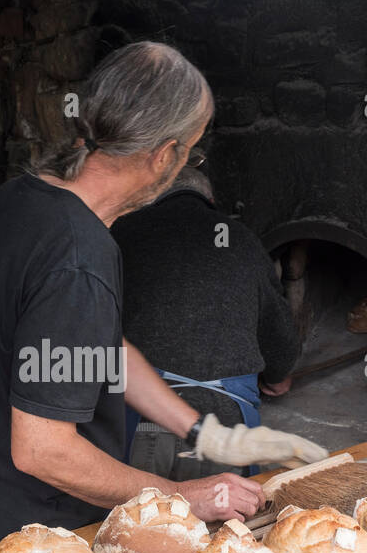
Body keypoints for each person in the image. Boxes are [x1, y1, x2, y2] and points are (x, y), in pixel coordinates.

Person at [0, 41, 326, 553]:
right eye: (192, 150)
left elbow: (99, 348)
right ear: (165, 156)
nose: (187, 159)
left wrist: (203, 432)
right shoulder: (79, 256)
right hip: (20, 541)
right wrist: (185, 497)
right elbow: (43, 449)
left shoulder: (20, 197)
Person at [113, 166, 299, 481]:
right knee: (228, 529)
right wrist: (277, 376)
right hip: (225, 433)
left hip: (140, 427)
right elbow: (279, 345)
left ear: (150, 195)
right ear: (210, 199)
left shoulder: (120, 233)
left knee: (137, 525)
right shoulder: (241, 239)